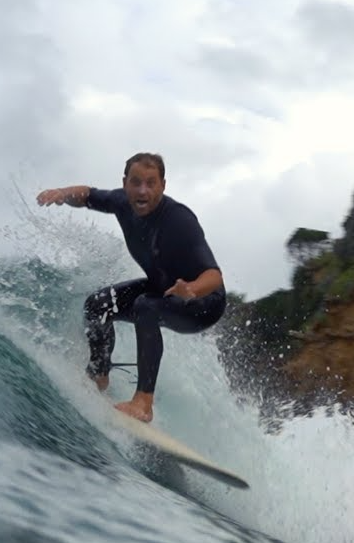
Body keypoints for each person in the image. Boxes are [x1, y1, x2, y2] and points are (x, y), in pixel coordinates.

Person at [36, 152, 226, 422]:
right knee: (99, 304)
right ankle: (98, 374)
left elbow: (214, 276)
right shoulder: (121, 202)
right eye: (136, 182)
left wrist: (191, 289)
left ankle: (143, 403)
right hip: (164, 288)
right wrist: (61, 193)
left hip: (204, 303)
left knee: (145, 308)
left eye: (151, 183)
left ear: (163, 185)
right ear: (125, 183)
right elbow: (88, 195)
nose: (142, 190)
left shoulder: (179, 220)